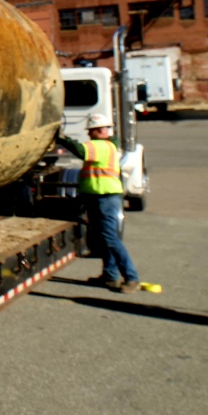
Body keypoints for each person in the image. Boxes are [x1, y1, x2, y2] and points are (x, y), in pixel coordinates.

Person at [58, 111, 139, 292]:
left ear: (100, 131)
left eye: (91, 131)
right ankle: (110, 276)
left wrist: (61, 138)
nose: (88, 134)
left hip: (106, 197)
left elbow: (79, 150)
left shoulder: (102, 146)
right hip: (98, 196)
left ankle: (131, 278)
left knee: (110, 238)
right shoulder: (108, 145)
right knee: (105, 238)